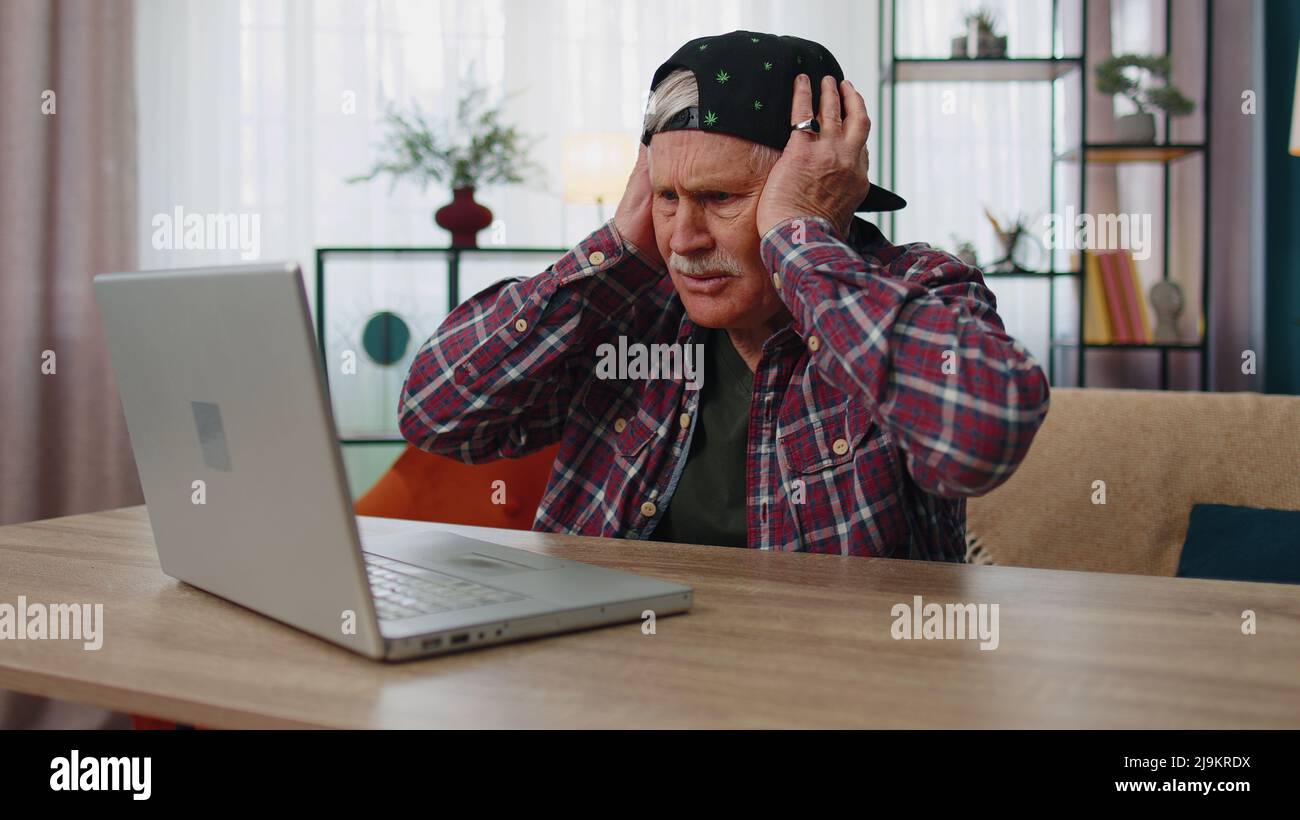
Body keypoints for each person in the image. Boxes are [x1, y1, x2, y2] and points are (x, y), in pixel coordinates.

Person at [400, 31, 1050, 559]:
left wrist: (799, 241)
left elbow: (979, 441)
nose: (684, 238)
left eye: (720, 197)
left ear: (820, 190)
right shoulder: (630, 316)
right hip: (606, 683)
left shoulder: (917, 287)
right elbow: (436, 414)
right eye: (665, 197)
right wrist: (615, 251)